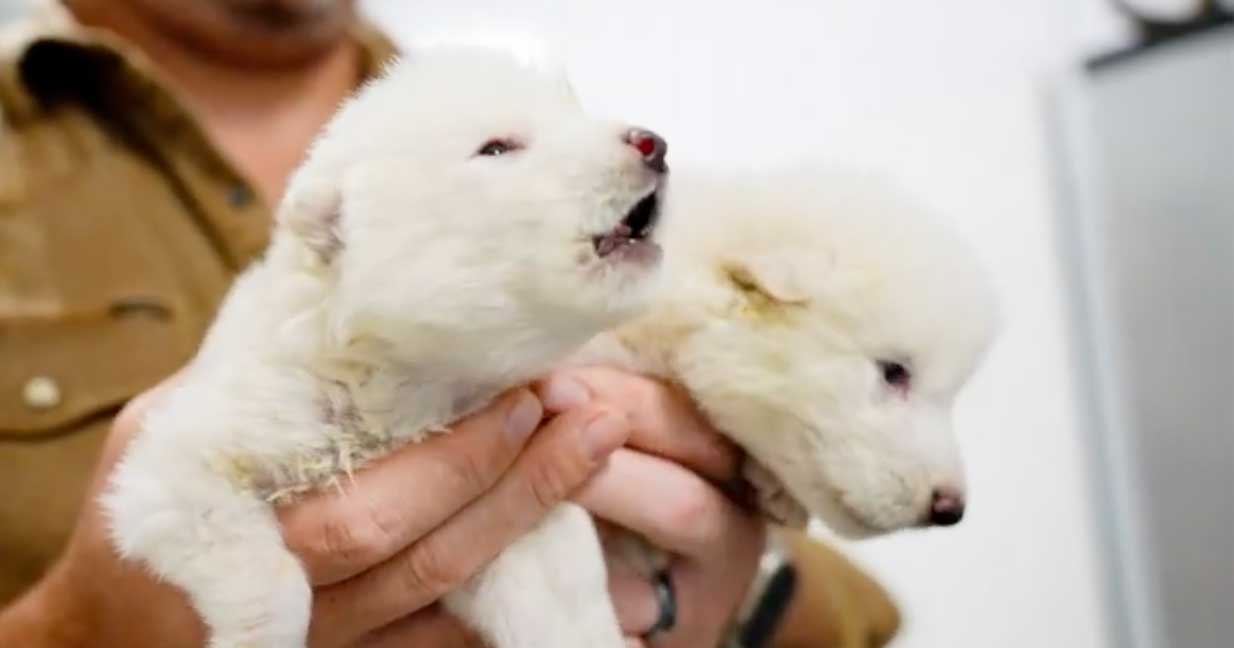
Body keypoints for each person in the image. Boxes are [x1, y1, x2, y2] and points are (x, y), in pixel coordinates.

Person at [0, 1, 901, 646]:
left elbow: (861, 611)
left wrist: (750, 597)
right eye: (503, 152)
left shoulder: (527, 116)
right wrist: (72, 633)